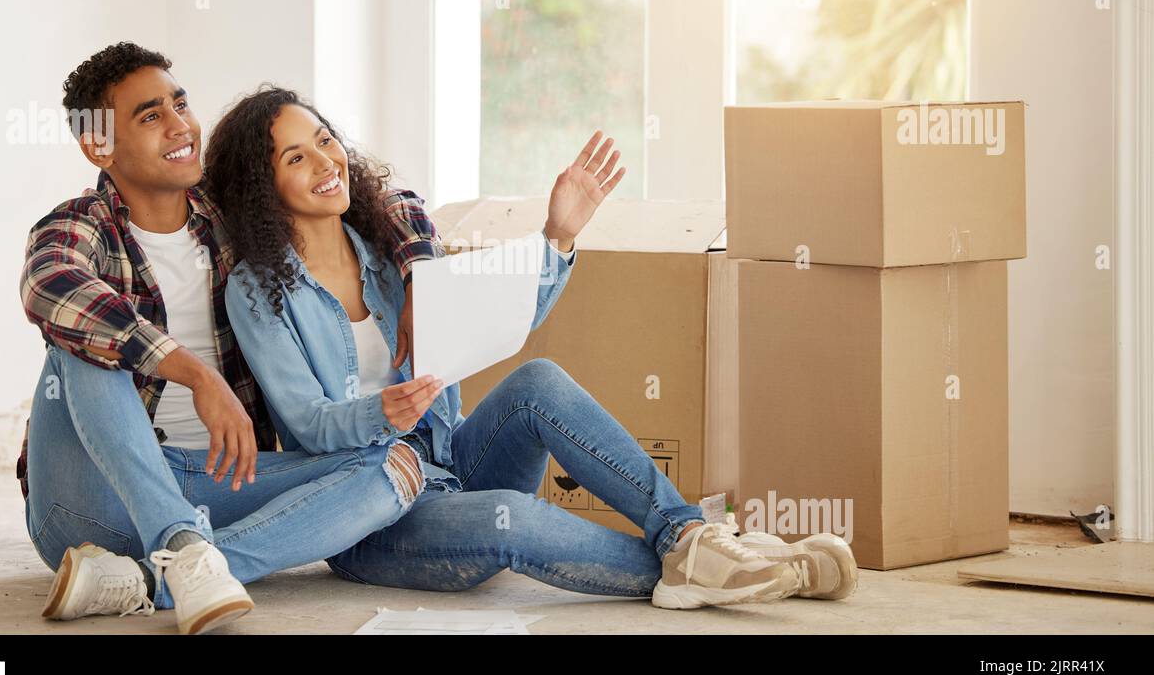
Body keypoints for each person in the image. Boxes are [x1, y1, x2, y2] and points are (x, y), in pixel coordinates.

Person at [211, 86, 858, 609]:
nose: (326, 163)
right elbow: (307, 425)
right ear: (261, 189)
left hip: (450, 457)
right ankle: (722, 566)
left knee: (538, 382)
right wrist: (385, 411)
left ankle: (688, 535)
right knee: (507, 517)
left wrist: (558, 235)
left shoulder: (389, 250)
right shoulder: (257, 291)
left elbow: (493, 319)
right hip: (373, 518)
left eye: (325, 141)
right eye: (296, 157)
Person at [19, 43, 442, 633]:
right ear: (100, 145)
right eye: (150, 116)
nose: (180, 126)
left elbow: (388, 197)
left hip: (211, 480)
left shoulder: (224, 215)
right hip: (88, 501)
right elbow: (51, 286)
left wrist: (421, 273)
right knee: (83, 342)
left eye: (180, 104)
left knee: (390, 466)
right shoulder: (78, 224)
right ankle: (183, 548)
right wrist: (194, 372)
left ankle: (151, 577)